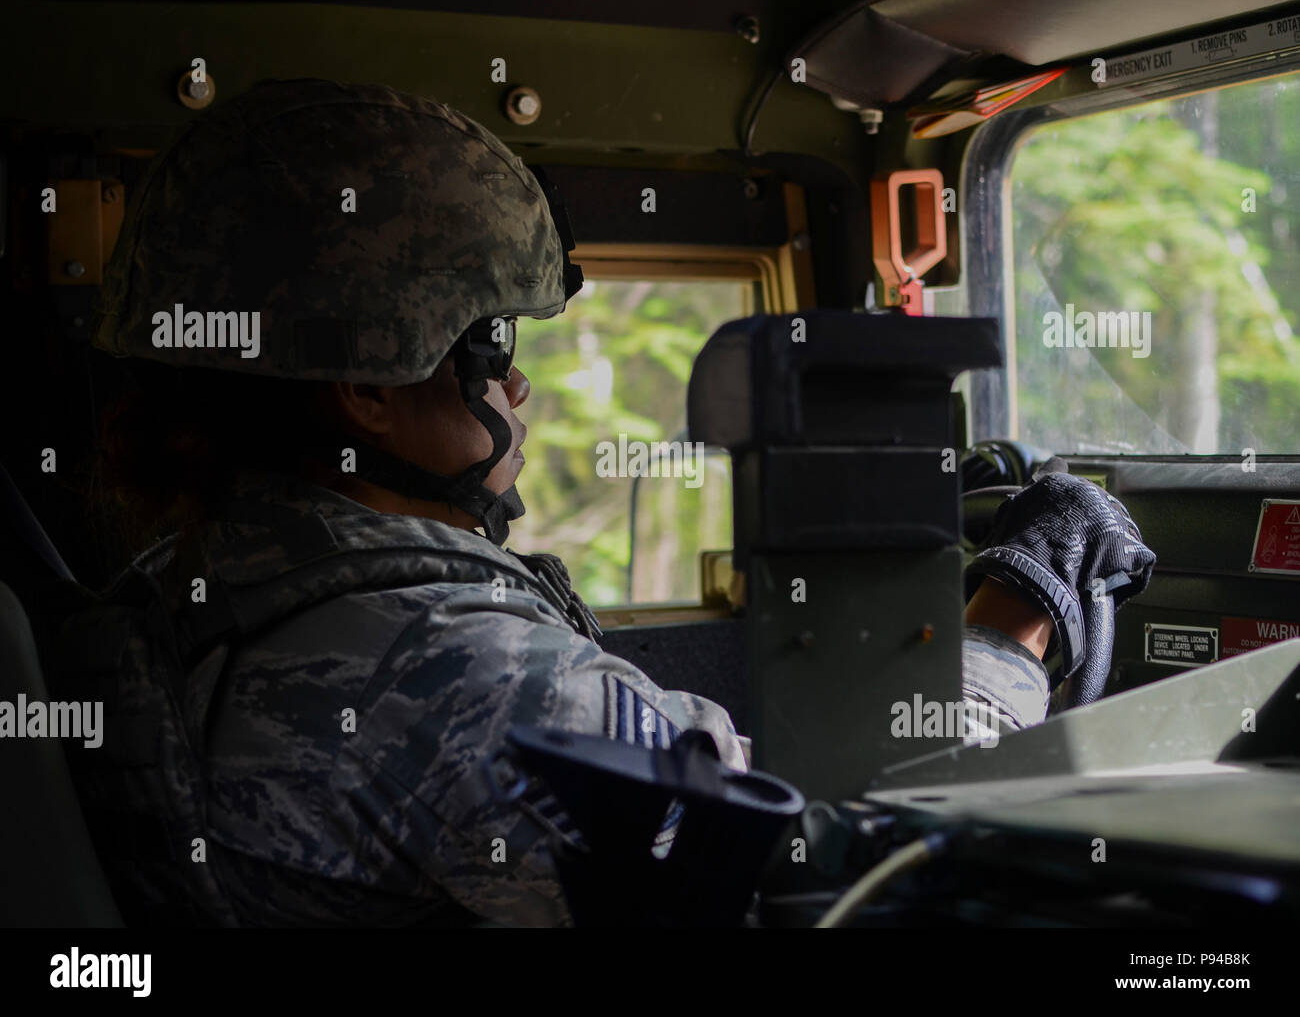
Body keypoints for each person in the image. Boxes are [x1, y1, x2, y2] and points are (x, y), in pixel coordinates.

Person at [83, 78, 1154, 927]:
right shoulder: (454, 671)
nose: (518, 385)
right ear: (364, 386)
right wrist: (1015, 626)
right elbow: (846, 881)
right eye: (490, 346)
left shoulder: (197, 587)